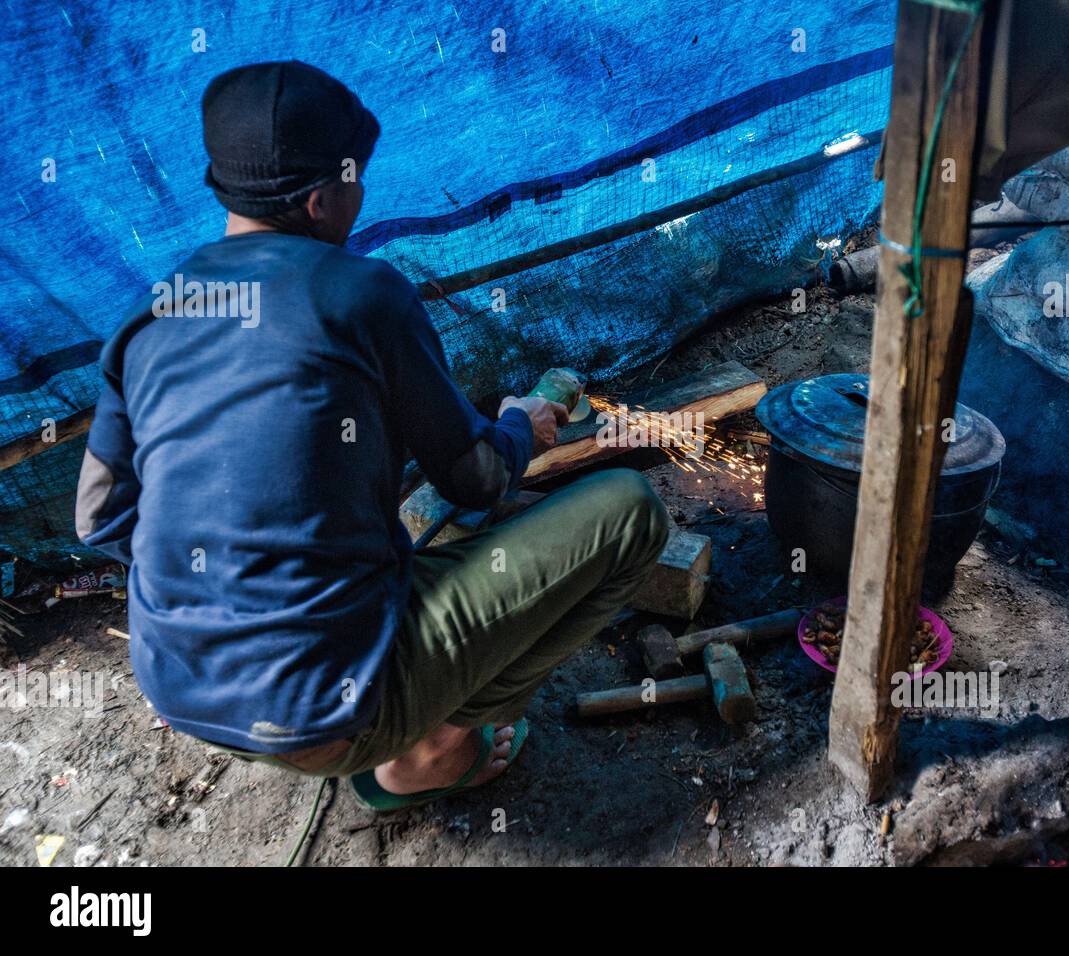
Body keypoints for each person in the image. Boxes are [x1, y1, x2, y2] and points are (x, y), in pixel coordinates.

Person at [74, 60, 669, 810]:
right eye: (360, 179)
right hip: (331, 711)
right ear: (321, 200)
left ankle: (377, 717)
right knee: (630, 510)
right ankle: (434, 747)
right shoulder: (362, 293)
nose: (366, 194)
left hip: (179, 690)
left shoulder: (151, 316)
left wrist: (222, 574)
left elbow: (99, 519)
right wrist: (521, 425)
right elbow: (478, 481)